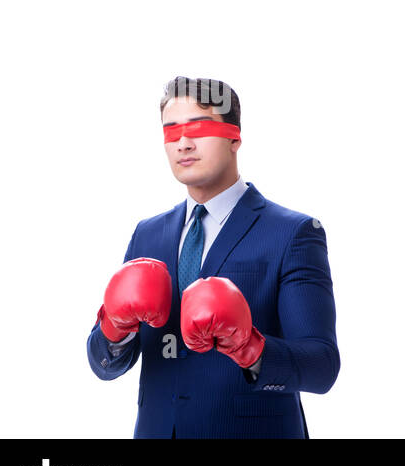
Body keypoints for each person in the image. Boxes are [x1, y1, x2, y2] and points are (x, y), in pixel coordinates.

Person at [86, 77, 339, 438]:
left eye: (198, 129)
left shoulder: (293, 232)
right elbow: (104, 365)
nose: (183, 143)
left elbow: (322, 366)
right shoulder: (148, 234)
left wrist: (249, 347)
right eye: (171, 132)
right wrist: (114, 329)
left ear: (234, 137)